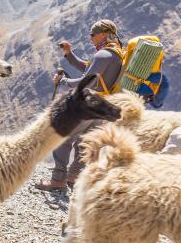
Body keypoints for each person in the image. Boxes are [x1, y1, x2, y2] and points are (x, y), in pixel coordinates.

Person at [34, 19, 124, 191]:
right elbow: (87, 68)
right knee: (85, 142)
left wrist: (64, 81)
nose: (90, 38)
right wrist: (69, 53)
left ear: (104, 34)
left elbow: (86, 80)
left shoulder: (102, 55)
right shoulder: (116, 54)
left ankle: (58, 180)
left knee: (63, 136)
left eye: (93, 34)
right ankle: (74, 176)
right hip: (101, 107)